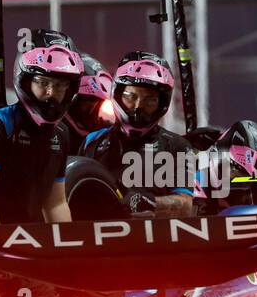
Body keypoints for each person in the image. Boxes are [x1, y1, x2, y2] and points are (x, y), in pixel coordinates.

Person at [0, 44, 81, 297]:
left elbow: (56, 203)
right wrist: (0, 256)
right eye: (43, 82)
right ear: (26, 82)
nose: (50, 93)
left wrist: (72, 257)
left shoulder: (60, 135)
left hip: (30, 257)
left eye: (59, 85)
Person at [80, 52, 195, 216]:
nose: (138, 106)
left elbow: (185, 205)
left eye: (149, 100)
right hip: (103, 235)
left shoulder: (178, 146)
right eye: (131, 96)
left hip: (156, 237)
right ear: (118, 94)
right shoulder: (93, 141)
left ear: (161, 103)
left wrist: (148, 202)